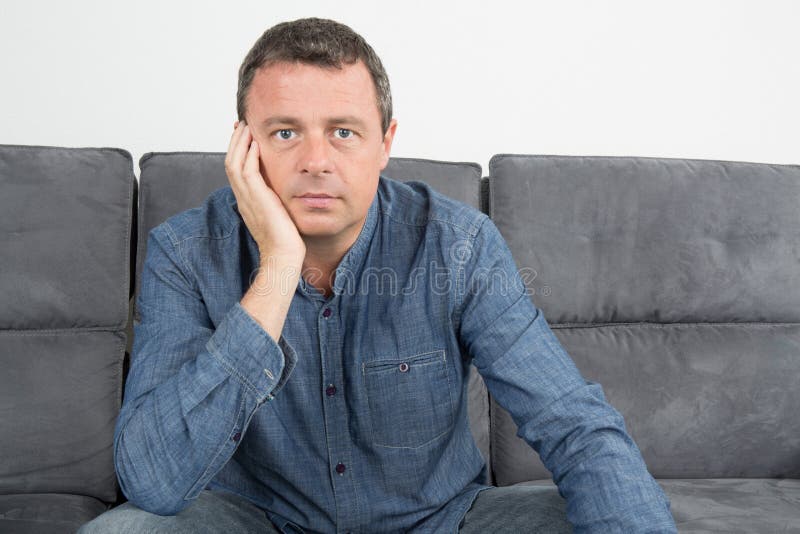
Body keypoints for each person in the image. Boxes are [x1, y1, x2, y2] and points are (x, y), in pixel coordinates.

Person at [78, 17, 676, 533]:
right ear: (244, 146)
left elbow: (572, 424)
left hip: (439, 523)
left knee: (599, 513)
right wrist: (278, 269)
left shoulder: (458, 246)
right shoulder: (185, 252)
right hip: (259, 521)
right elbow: (152, 483)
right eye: (285, 133)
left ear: (384, 143)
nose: (316, 161)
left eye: (343, 131)